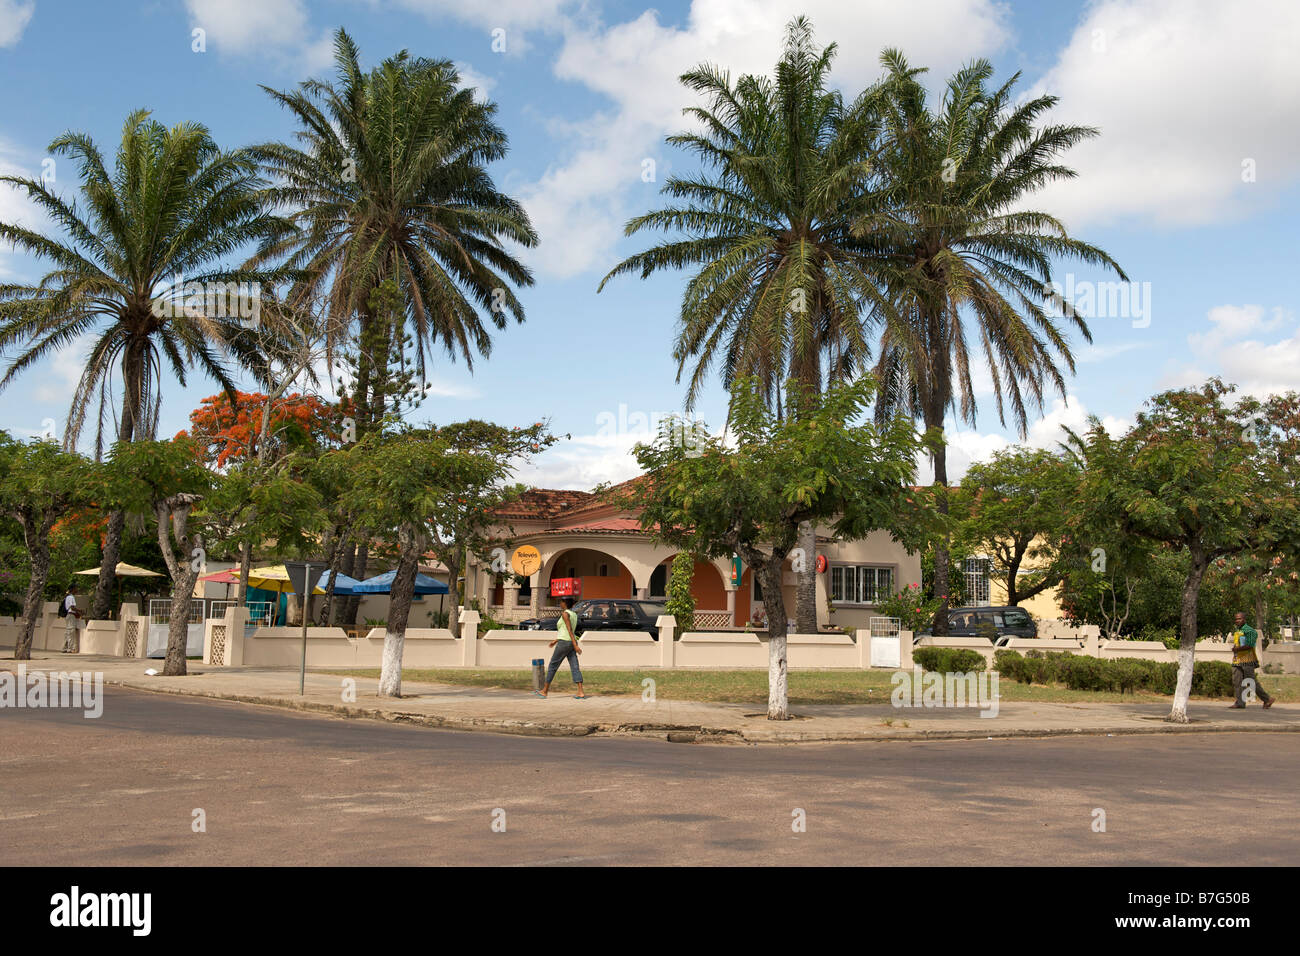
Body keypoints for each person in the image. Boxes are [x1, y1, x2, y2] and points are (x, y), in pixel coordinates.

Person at [536, 597, 586, 699]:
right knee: (574, 666)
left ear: (565, 603)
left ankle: (544, 691)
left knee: (553, 665)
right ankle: (580, 692)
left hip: (565, 643)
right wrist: (557, 640)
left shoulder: (565, 614)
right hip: (569, 642)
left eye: (561, 602)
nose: (560, 604)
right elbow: (565, 630)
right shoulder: (574, 615)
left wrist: (575, 645)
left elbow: (569, 629)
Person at [1228, 611, 1274, 709]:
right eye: (1236, 619)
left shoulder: (1250, 631)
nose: (1237, 621)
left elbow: (1249, 645)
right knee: (1237, 681)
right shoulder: (1238, 631)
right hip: (1237, 660)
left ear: (1244, 619)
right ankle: (1240, 702)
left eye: (1239, 619)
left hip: (1247, 659)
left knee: (1250, 681)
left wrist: (1237, 649)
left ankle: (1267, 699)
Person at [61, 587, 82, 653]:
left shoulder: (68, 597)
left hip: (69, 615)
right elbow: (72, 608)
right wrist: (79, 611)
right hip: (70, 615)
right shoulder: (71, 597)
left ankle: (65, 647)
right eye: (76, 588)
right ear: (73, 589)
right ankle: (70, 648)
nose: (77, 590)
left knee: (68, 632)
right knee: (71, 632)